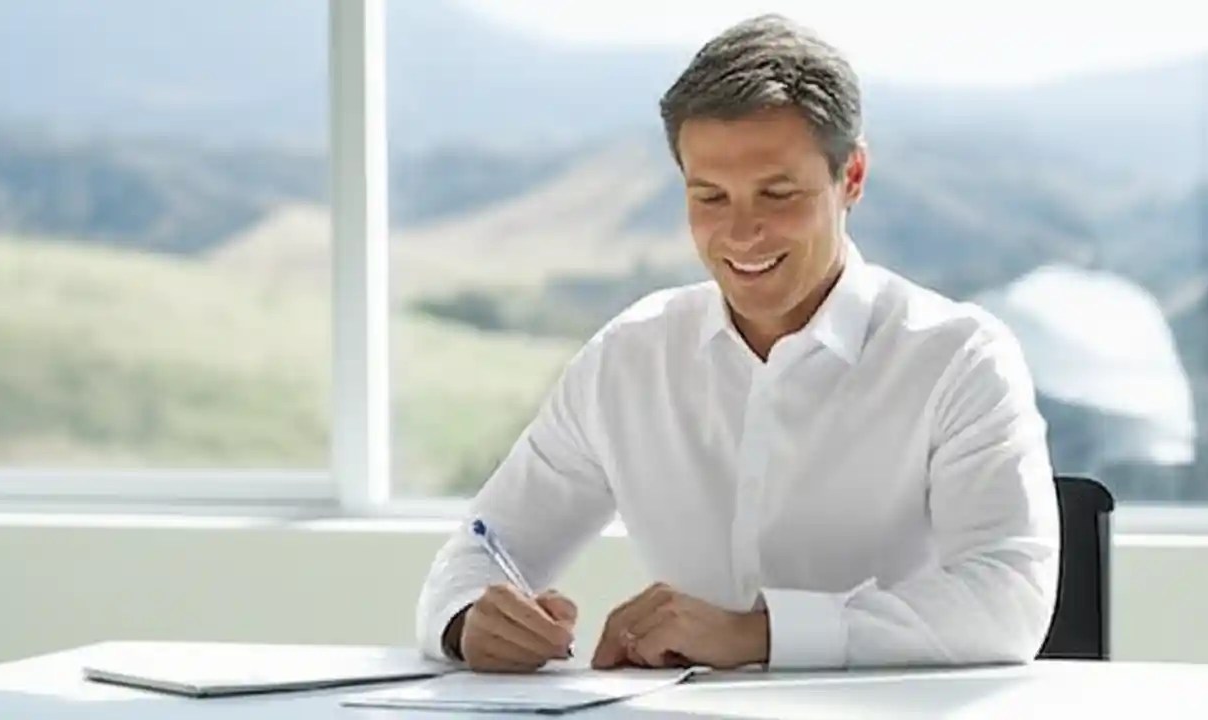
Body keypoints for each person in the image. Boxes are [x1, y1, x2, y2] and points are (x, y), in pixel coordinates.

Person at [416, 14, 1060, 673]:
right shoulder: (631, 359)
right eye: (710, 197)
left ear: (853, 177)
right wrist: (470, 618)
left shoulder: (959, 358)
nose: (742, 232)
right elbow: (480, 550)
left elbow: (1008, 600)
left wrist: (759, 634)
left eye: (777, 194)